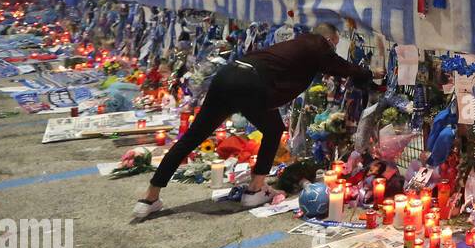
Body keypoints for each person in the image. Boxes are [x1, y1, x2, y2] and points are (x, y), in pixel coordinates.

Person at [133, 22, 379, 220]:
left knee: (192, 138)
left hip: (227, 76)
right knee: (274, 131)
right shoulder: (316, 43)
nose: (333, 48)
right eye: (334, 44)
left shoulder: (296, 44)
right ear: (328, 39)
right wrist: (371, 75)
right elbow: (341, 67)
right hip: (251, 83)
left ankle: (149, 198)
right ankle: (254, 189)